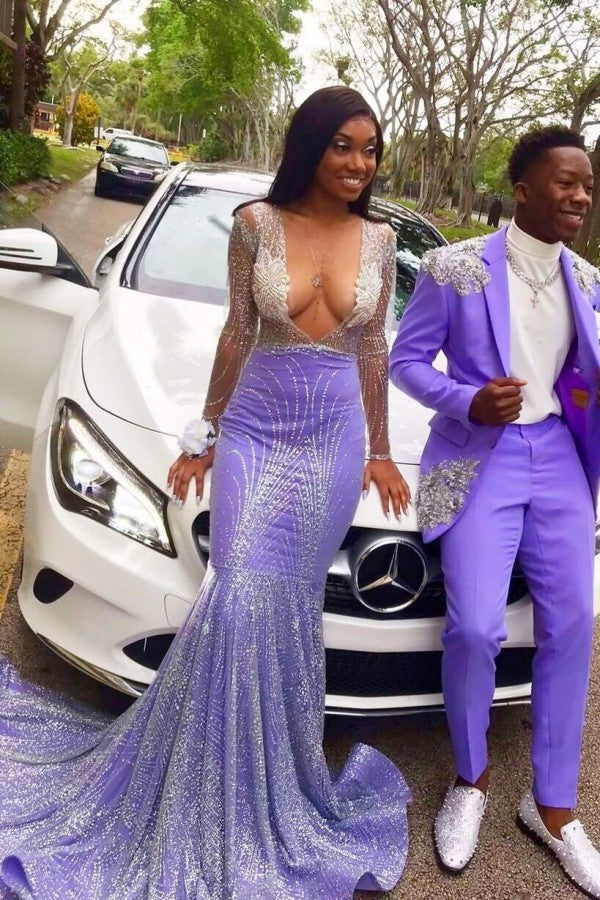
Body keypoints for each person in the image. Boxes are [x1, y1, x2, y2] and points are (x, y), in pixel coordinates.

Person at [0, 87, 411, 898]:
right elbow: (236, 332)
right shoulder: (255, 224)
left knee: (289, 605)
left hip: (331, 445)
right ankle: (204, 774)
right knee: (238, 591)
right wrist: (205, 436)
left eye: (370, 150)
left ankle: (272, 781)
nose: (359, 163)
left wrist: (383, 452)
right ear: (310, 147)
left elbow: (372, 350)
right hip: (256, 430)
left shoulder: (382, 239)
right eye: (343, 146)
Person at [390, 125, 600, 895]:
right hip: (480, 455)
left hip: (561, 461)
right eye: (566, 182)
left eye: (587, 185)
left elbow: (582, 378)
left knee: (573, 627)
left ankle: (552, 807)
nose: (580, 195)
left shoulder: (589, 280)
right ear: (522, 189)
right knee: (476, 627)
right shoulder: (454, 266)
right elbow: (406, 362)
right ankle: (471, 779)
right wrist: (467, 399)